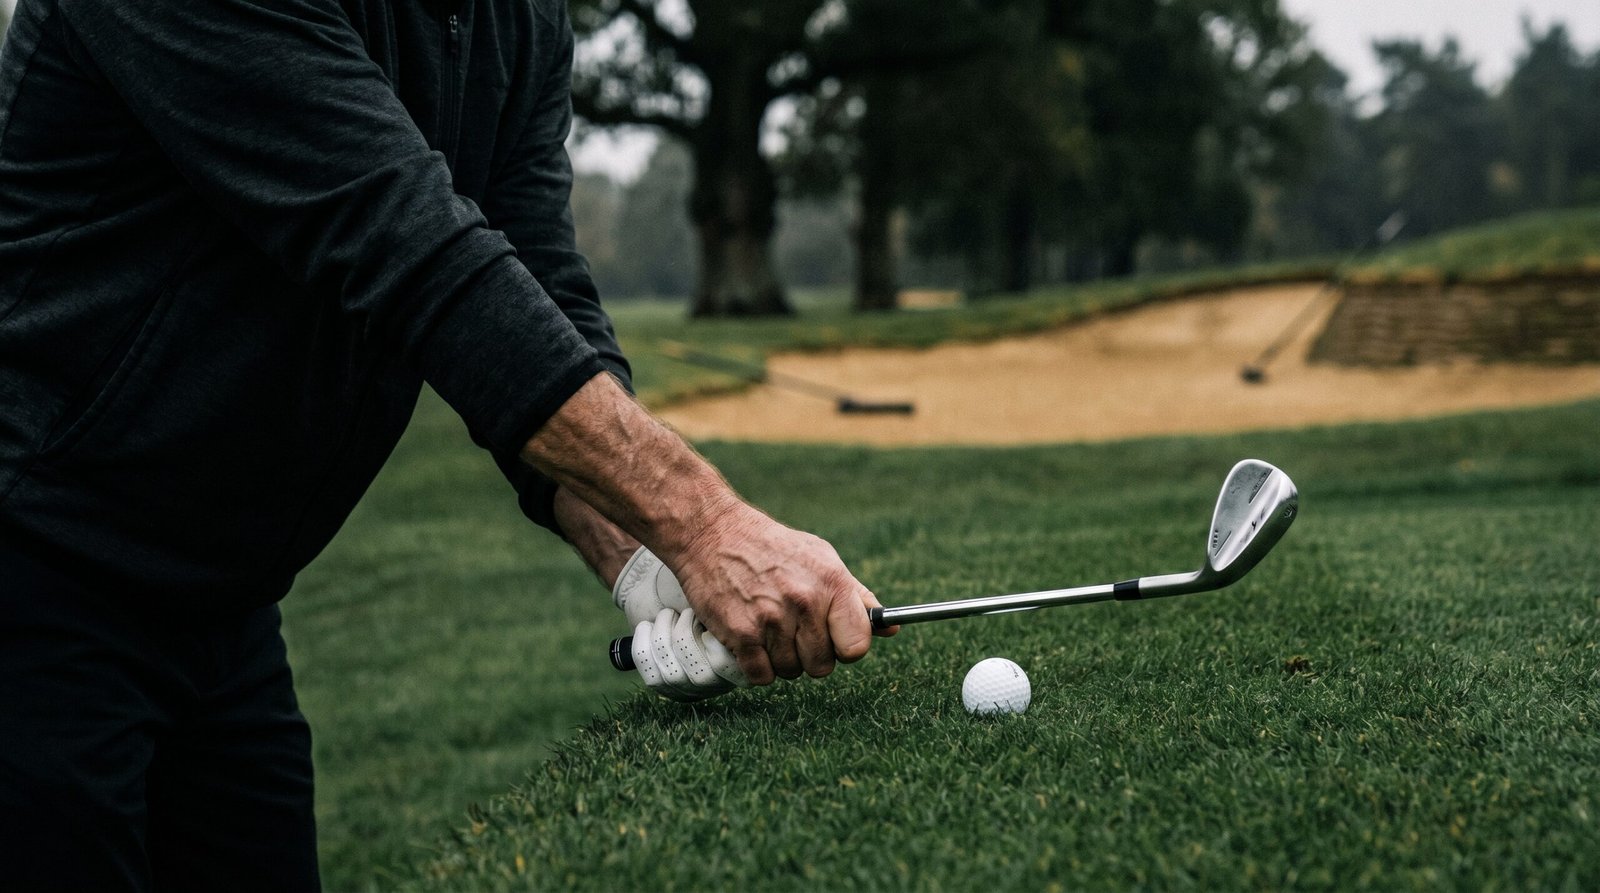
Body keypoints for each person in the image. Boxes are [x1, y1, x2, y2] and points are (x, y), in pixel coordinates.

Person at [0, 0, 892, 888]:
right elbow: (412, 252)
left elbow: (538, 290)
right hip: (36, 564)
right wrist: (704, 526)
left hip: (221, 606)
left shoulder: (520, 19)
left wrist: (641, 559)